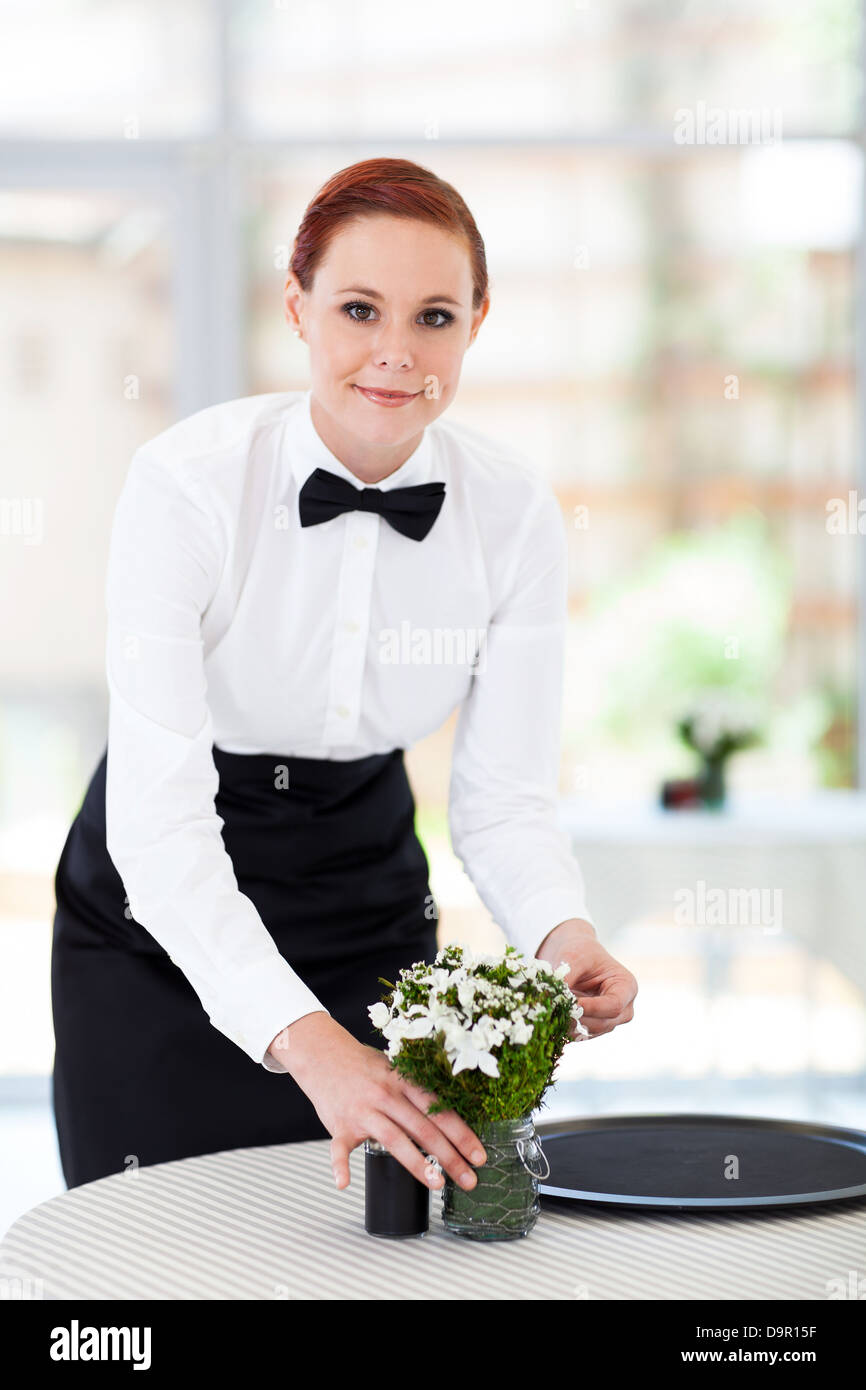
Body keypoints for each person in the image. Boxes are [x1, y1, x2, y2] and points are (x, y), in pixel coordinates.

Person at [50, 156, 638, 1194]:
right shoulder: (183, 488)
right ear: (297, 305)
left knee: (368, 1245)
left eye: (434, 317)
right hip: (159, 910)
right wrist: (308, 1045)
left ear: (477, 322)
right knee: (150, 1248)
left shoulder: (512, 515)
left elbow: (500, 798)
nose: (395, 355)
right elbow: (160, 826)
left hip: (364, 888)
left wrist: (562, 928)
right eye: (360, 309)